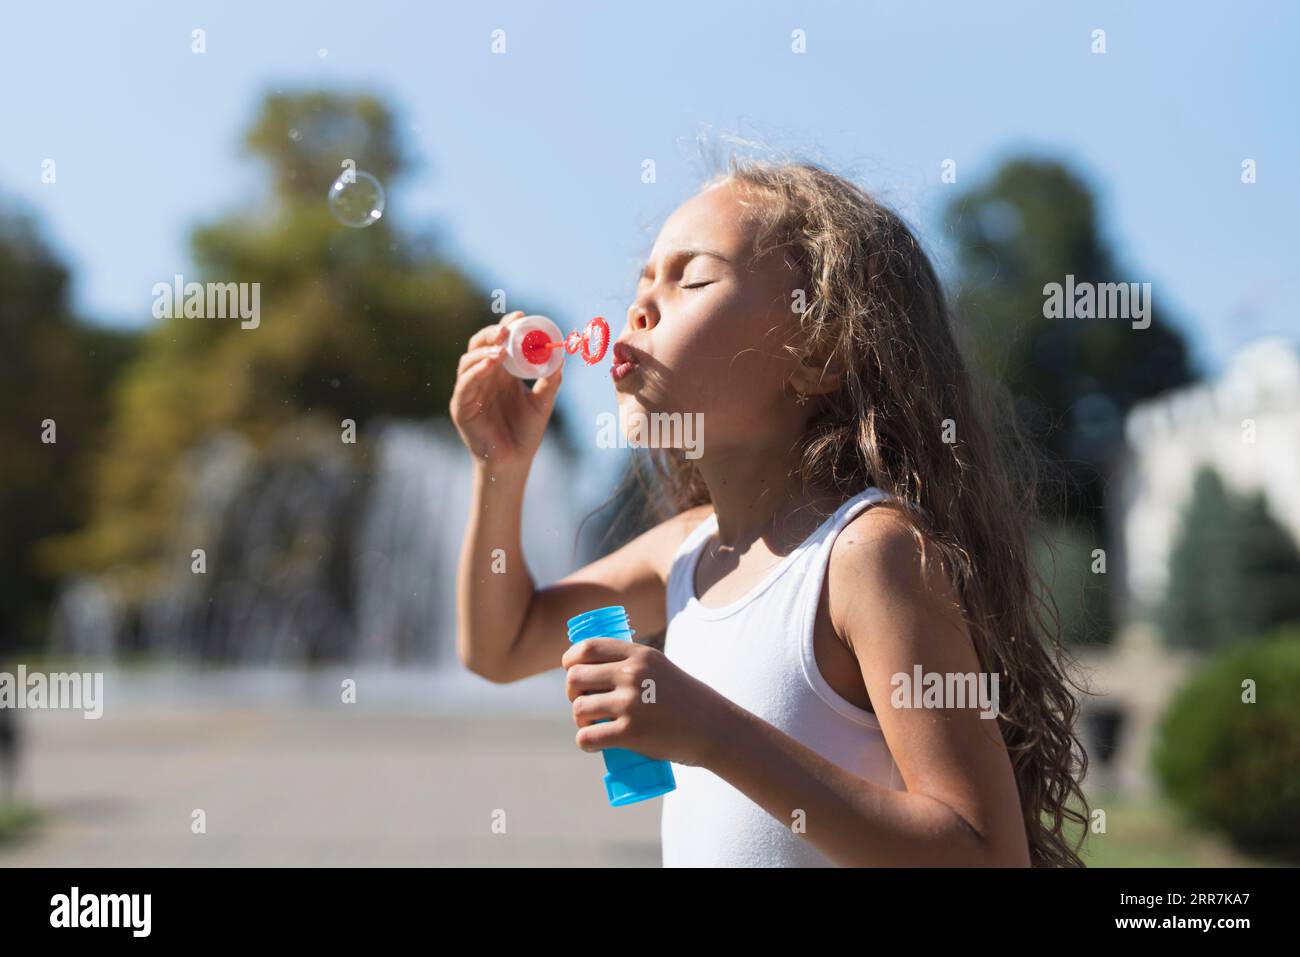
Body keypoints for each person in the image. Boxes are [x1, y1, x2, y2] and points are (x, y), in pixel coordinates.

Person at [451, 157, 1088, 867]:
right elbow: (497, 646)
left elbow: (985, 853)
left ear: (818, 350)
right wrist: (500, 472)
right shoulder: (686, 549)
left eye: (691, 279)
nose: (639, 308)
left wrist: (712, 733)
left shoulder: (865, 554)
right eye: (641, 285)